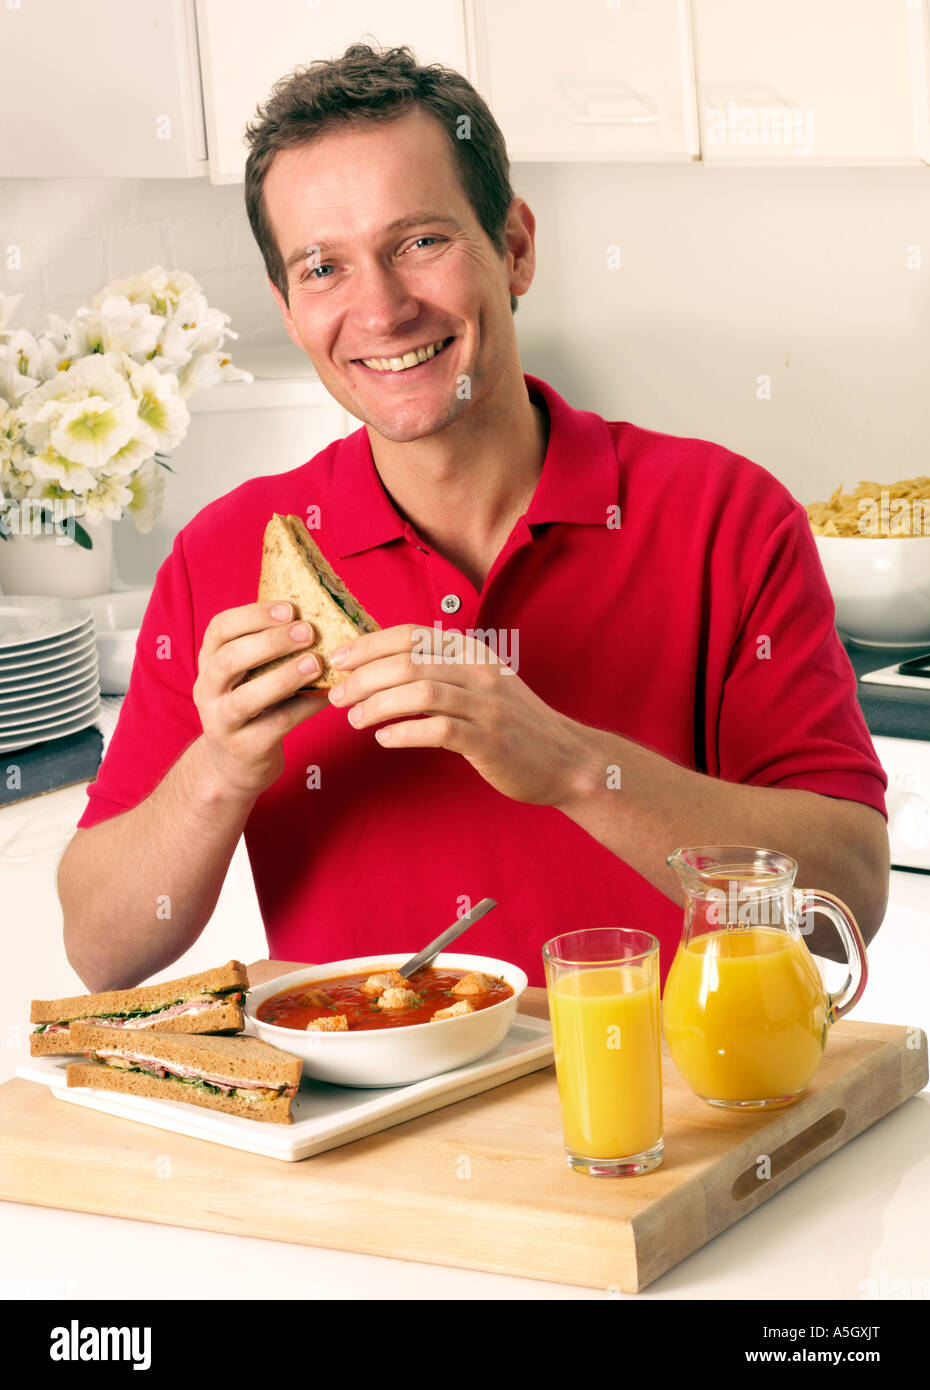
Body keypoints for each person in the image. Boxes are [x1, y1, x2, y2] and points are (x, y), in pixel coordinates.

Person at [59, 44, 889, 993]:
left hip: (666, 1084)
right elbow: (101, 950)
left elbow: (849, 898)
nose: (382, 310)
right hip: (357, 1085)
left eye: (420, 242)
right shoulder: (224, 557)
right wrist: (221, 769)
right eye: (323, 267)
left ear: (516, 248)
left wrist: (573, 767)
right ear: (289, 310)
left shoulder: (728, 518)